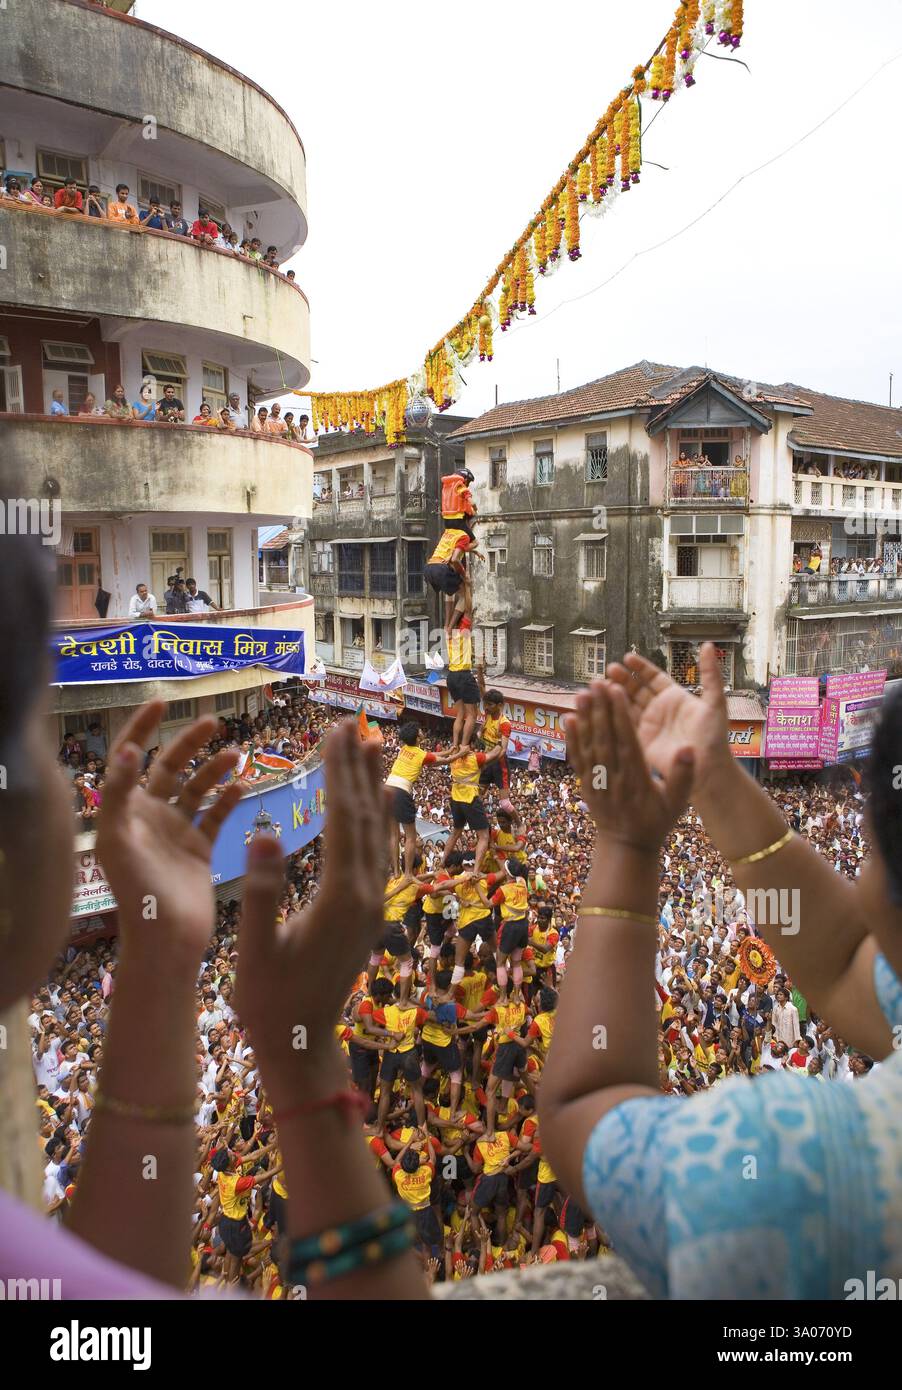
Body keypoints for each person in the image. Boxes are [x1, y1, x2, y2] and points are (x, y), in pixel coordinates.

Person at [539, 647, 902, 1299]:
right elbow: (846, 961)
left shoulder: (793, 1166)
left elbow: (581, 1108)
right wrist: (716, 780)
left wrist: (626, 843)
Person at [424, 527, 482, 635]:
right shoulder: (466, 621)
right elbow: (455, 558)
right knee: (465, 595)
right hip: (441, 569)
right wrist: (466, 579)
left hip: (429, 567)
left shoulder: (449, 534)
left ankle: (446, 626)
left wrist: (475, 552)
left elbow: (463, 550)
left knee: (449, 590)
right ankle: (449, 628)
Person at [441, 467, 477, 541]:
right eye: (468, 483)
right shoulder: (460, 486)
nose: (468, 486)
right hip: (458, 520)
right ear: (465, 480)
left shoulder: (447, 487)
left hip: (446, 521)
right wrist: (476, 510)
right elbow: (472, 504)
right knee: (474, 542)